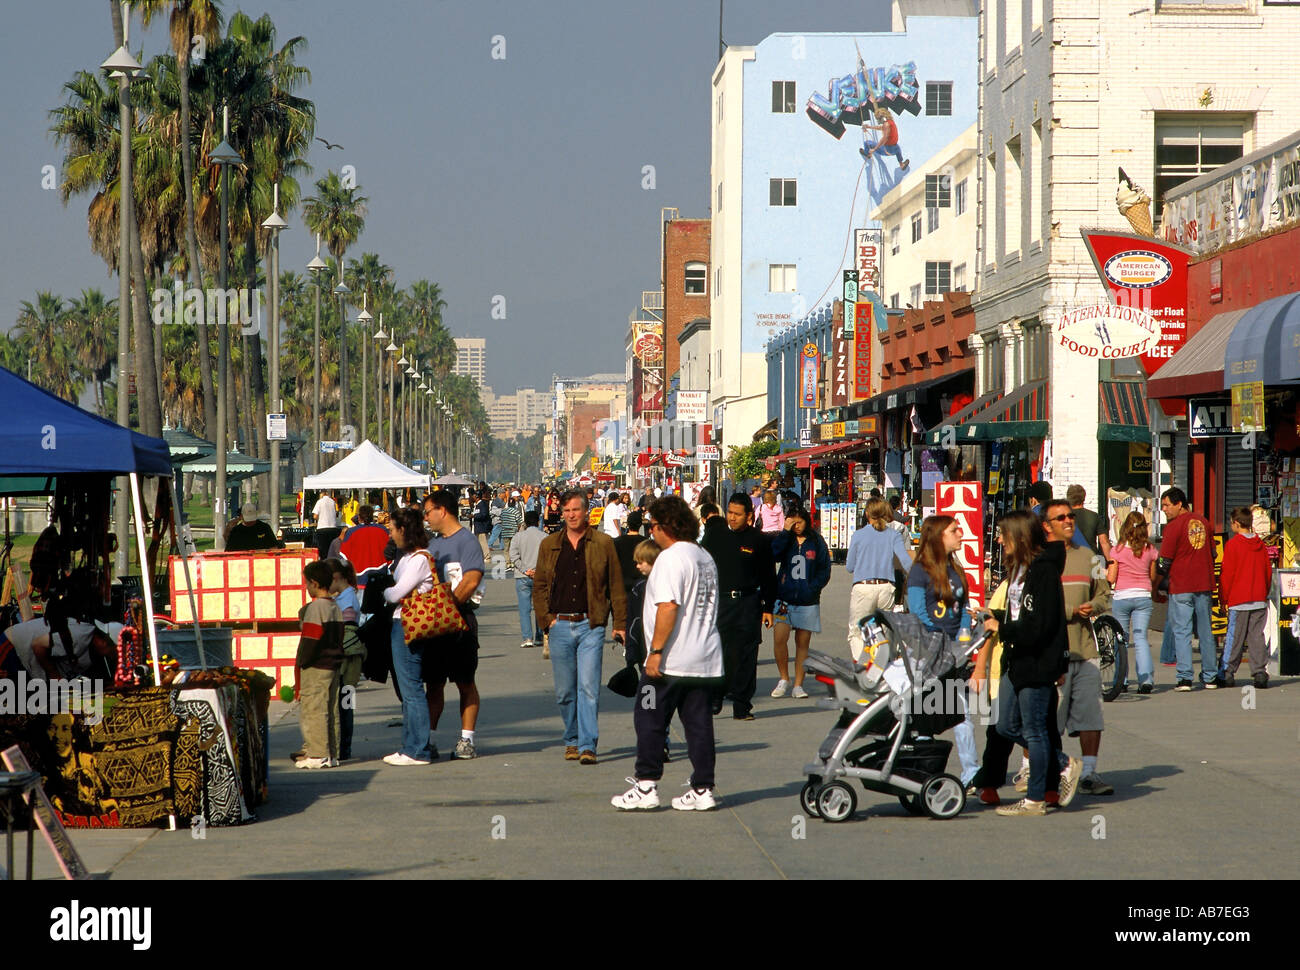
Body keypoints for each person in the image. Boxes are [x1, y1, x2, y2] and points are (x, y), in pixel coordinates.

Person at [612, 495, 724, 811]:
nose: (651, 532)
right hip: (702, 656)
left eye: (652, 526)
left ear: (664, 526)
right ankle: (703, 788)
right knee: (699, 723)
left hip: (672, 658)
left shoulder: (671, 558)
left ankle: (646, 785)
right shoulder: (704, 556)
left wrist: (656, 652)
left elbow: (668, 606)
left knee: (648, 716)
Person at [982, 511, 1080, 816]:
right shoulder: (1019, 568)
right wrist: (994, 617)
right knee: (1004, 725)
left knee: (1035, 731)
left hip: (1037, 661)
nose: (998, 540)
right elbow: (1018, 615)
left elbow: (1041, 624)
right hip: (1017, 657)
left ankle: (1036, 798)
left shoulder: (1043, 571)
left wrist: (1003, 629)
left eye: (1003, 534)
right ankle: (1060, 763)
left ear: (1020, 536)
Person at [532, 489, 627, 765]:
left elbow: (616, 586)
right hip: (560, 624)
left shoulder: (603, 543)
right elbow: (539, 586)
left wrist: (619, 623)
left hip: (591, 624)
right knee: (564, 691)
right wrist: (545, 619)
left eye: (576, 510)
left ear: (587, 511)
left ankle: (588, 745)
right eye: (567, 511)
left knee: (588, 687)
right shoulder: (549, 544)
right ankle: (571, 739)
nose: (571, 515)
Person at [1043, 499, 1113, 797]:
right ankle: (1038, 774)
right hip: (1051, 654)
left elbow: (1104, 596)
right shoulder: (1039, 558)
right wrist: (1072, 610)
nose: (1069, 521)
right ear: (1047, 526)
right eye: (1061, 517)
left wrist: (1093, 606)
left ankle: (1089, 773)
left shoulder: (1091, 557)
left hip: (1085, 651)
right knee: (1046, 720)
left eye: (1071, 516)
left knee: (1090, 715)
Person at [905, 515, 978, 789]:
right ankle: (923, 771)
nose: (960, 533)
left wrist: (964, 636)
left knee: (961, 713)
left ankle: (971, 772)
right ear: (938, 537)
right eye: (954, 530)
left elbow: (964, 608)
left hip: (954, 651)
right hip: (928, 651)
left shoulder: (956, 569)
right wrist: (935, 643)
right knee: (926, 715)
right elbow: (917, 611)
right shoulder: (920, 570)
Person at [421, 489, 487, 760]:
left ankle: (466, 740)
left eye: (428, 512)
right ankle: (429, 738)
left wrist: (448, 608)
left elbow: (471, 581)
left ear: (442, 510)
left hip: (461, 623)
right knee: (433, 685)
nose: (426, 518)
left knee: (465, 682)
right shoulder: (433, 545)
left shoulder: (467, 541)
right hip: (435, 627)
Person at [700, 493, 776, 720]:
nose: (731, 518)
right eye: (729, 513)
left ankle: (742, 705)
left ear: (749, 516)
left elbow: (768, 576)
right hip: (720, 603)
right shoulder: (715, 535)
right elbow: (701, 566)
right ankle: (716, 694)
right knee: (719, 651)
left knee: (746, 655)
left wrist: (768, 608)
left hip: (748, 603)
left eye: (737, 514)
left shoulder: (759, 540)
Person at [380, 508, 436, 766]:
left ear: (404, 530)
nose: (390, 534)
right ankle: (411, 744)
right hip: (402, 623)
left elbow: (396, 592)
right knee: (409, 688)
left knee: (411, 688)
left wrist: (386, 592)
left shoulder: (418, 560)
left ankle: (417, 749)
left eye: (392, 529)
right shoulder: (408, 557)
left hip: (408, 623)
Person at [769, 506, 832, 699]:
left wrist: (813, 587)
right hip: (784, 599)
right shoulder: (785, 539)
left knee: (802, 643)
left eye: (800, 521)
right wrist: (784, 533)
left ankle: (798, 684)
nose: (796, 526)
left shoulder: (816, 541)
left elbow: (824, 569)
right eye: (792, 522)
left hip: (807, 601)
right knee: (780, 638)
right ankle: (783, 678)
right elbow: (773, 554)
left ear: (806, 521)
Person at [1157, 487, 1217, 691]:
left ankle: (1184, 678)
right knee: (1206, 630)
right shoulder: (1205, 522)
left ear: (1179, 503)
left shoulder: (1173, 528)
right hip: (1204, 583)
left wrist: (1156, 584)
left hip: (1181, 584)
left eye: (1166, 505)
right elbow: (1213, 552)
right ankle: (1210, 676)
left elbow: (1164, 561)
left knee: (1182, 631)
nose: (1164, 509)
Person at [845, 498, 914, 661]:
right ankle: (884, 663)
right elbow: (906, 561)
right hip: (886, 588)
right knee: (884, 629)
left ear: (867, 513)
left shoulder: (858, 535)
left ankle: (865, 665)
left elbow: (849, 566)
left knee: (856, 631)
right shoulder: (893, 535)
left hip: (863, 587)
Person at [295, 560, 344, 769]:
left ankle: (317, 753)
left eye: (307, 583)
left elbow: (310, 640)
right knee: (331, 710)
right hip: (333, 664)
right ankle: (332, 752)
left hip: (316, 665)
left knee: (314, 709)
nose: (306, 587)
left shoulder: (315, 608)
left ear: (314, 584)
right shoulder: (335, 606)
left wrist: (302, 662)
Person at [1220, 506, 1272, 689]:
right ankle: (1259, 671)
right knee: (1256, 636)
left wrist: (1223, 598)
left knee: (1235, 636)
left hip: (1238, 598)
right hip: (1258, 597)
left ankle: (1228, 671)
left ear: (1236, 523)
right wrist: (1263, 592)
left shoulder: (1233, 545)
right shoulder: (1260, 546)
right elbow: (1267, 572)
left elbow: (1227, 575)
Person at [1107, 511, 1159, 694]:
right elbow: (1152, 577)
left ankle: (1122, 680)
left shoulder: (1117, 550)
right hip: (1143, 596)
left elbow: (1112, 576)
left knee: (1120, 640)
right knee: (1140, 638)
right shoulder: (1150, 549)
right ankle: (1146, 680)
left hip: (1122, 597)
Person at [326, 558, 365, 762]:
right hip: (349, 656)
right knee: (346, 702)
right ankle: (343, 746)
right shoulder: (345, 594)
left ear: (336, 577)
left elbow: (346, 628)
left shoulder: (347, 599)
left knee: (346, 703)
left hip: (348, 657)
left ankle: (344, 747)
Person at [509, 509, 547, 648]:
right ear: (538, 522)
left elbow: (513, 556)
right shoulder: (544, 537)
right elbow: (549, 558)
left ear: (525, 522)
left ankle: (527, 638)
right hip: (540, 577)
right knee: (540, 607)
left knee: (524, 609)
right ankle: (539, 636)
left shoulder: (518, 537)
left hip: (522, 576)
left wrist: (525, 570)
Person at [338, 504, 391, 585]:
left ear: (359, 517)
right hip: (381, 575)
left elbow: (344, 557)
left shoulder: (351, 532)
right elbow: (391, 553)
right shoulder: (382, 530)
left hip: (359, 578)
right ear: (372, 516)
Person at [860, 104, 909, 172]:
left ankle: (867, 154)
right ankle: (901, 164)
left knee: (867, 143)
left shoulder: (886, 125)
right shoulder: (890, 122)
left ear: (882, 118)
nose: (878, 120)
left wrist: (874, 149)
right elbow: (881, 128)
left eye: (878, 118)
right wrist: (869, 127)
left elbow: (884, 139)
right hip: (895, 147)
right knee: (898, 149)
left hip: (887, 149)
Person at [1066, 484, 1111, 558]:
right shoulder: (1094, 516)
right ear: (1084, 497)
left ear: (1068, 498)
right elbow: (1104, 541)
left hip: (1070, 559)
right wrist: (1110, 561)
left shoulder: (1064, 518)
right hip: (1091, 559)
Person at [311, 491, 340, 561]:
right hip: (333, 528)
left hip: (322, 528)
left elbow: (315, 516)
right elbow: (336, 513)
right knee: (332, 549)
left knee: (323, 550)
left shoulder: (319, 502)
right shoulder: (332, 502)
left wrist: (320, 518)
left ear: (322, 494)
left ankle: (324, 563)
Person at [500, 492, 523, 570]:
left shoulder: (503, 511)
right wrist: (517, 528)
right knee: (513, 548)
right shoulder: (516, 512)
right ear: (514, 504)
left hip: (505, 532)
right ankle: (513, 563)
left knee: (506, 549)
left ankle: (508, 563)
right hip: (513, 532)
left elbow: (501, 520)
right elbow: (520, 522)